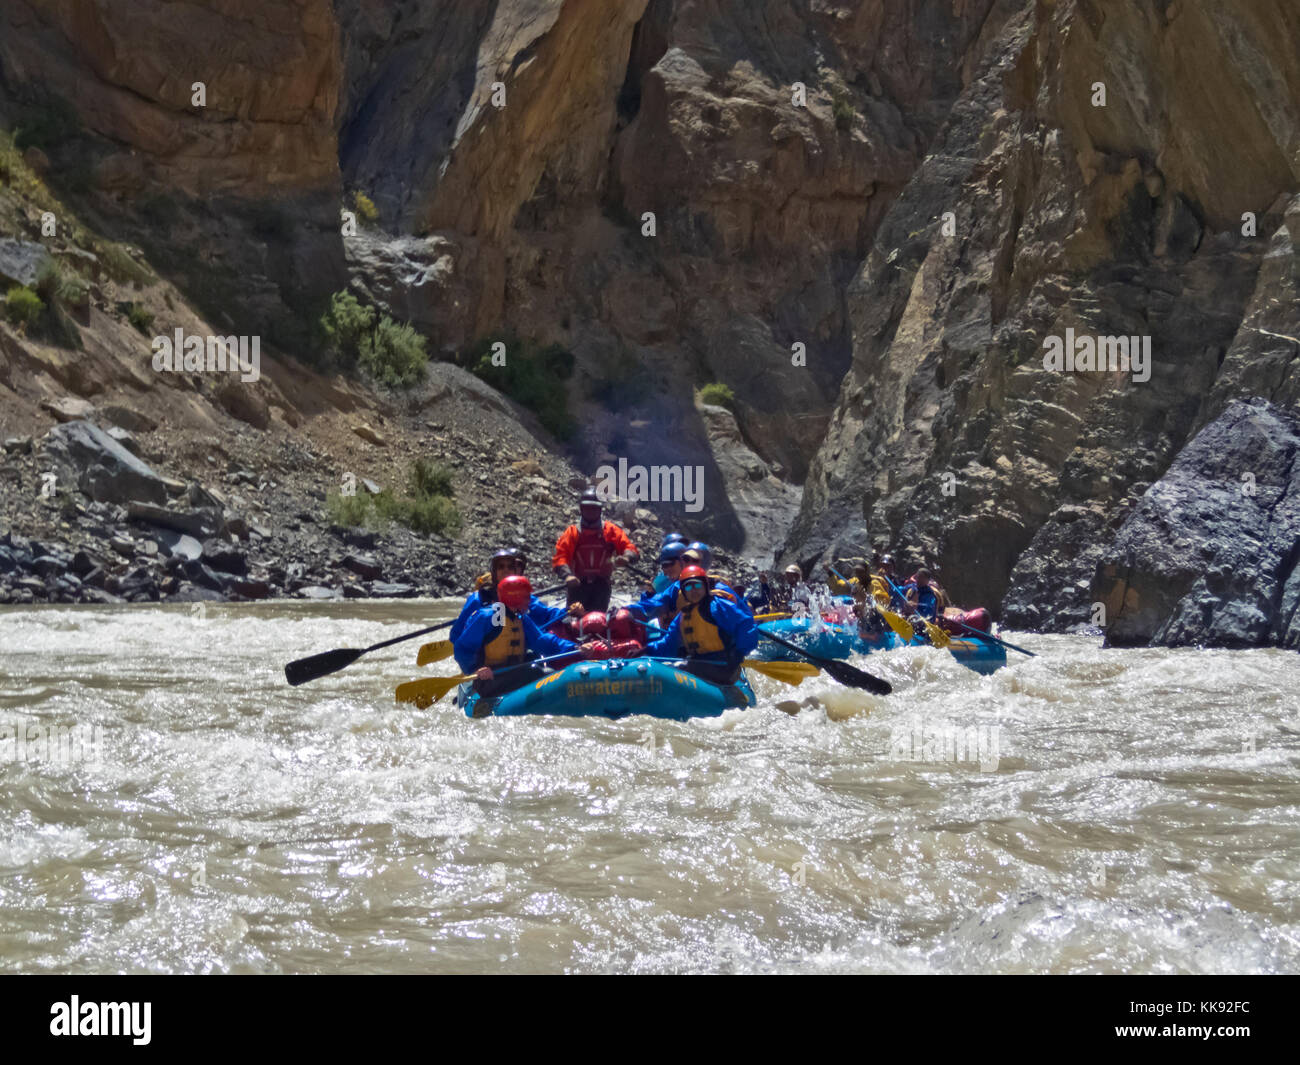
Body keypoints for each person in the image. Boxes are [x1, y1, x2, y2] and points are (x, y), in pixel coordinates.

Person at [453, 576, 585, 696]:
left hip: (512, 673)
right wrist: (475, 669)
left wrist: (577, 648)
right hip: (488, 679)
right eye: (527, 596)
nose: (530, 600)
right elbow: (462, 649)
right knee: (541, 673)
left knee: (535, 659)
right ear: (514, 597)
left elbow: (543, 642)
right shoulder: (488, 617)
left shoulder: (520, 618)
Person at [645, 566, 759, 685]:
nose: (694, 590)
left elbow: (747, 626)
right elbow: (668, 644)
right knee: (673, 666)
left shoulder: (719, 606)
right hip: (700, 663)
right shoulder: (683, 615)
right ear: (684, 592)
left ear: (705, 587)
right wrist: (645, 650)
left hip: (724, 666)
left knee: (679, 668)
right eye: (688, 587)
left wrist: (739, 654)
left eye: (697, 585)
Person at [449, 548, 572, 642]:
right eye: (501, 567)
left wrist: (569, 611)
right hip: (487, 667)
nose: (506, 570)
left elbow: (543, 624)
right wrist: (474, 666)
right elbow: (456, 635)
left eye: (510, 567)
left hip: (516, 658)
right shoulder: (479, 599)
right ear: (494, 571)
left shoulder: (522, 598)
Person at [551, 487, 639, 612]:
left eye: (594, 508)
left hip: (601, 587)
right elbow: (560, 557)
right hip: (577, 586)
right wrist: (568, 575)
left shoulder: (610, 530)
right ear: (581, 509)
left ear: (600, 509)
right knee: (573, 624)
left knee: (597, 623)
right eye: (587, 508)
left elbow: (630, 548)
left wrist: (626, 557)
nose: (591, 511)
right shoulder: (573, 532)